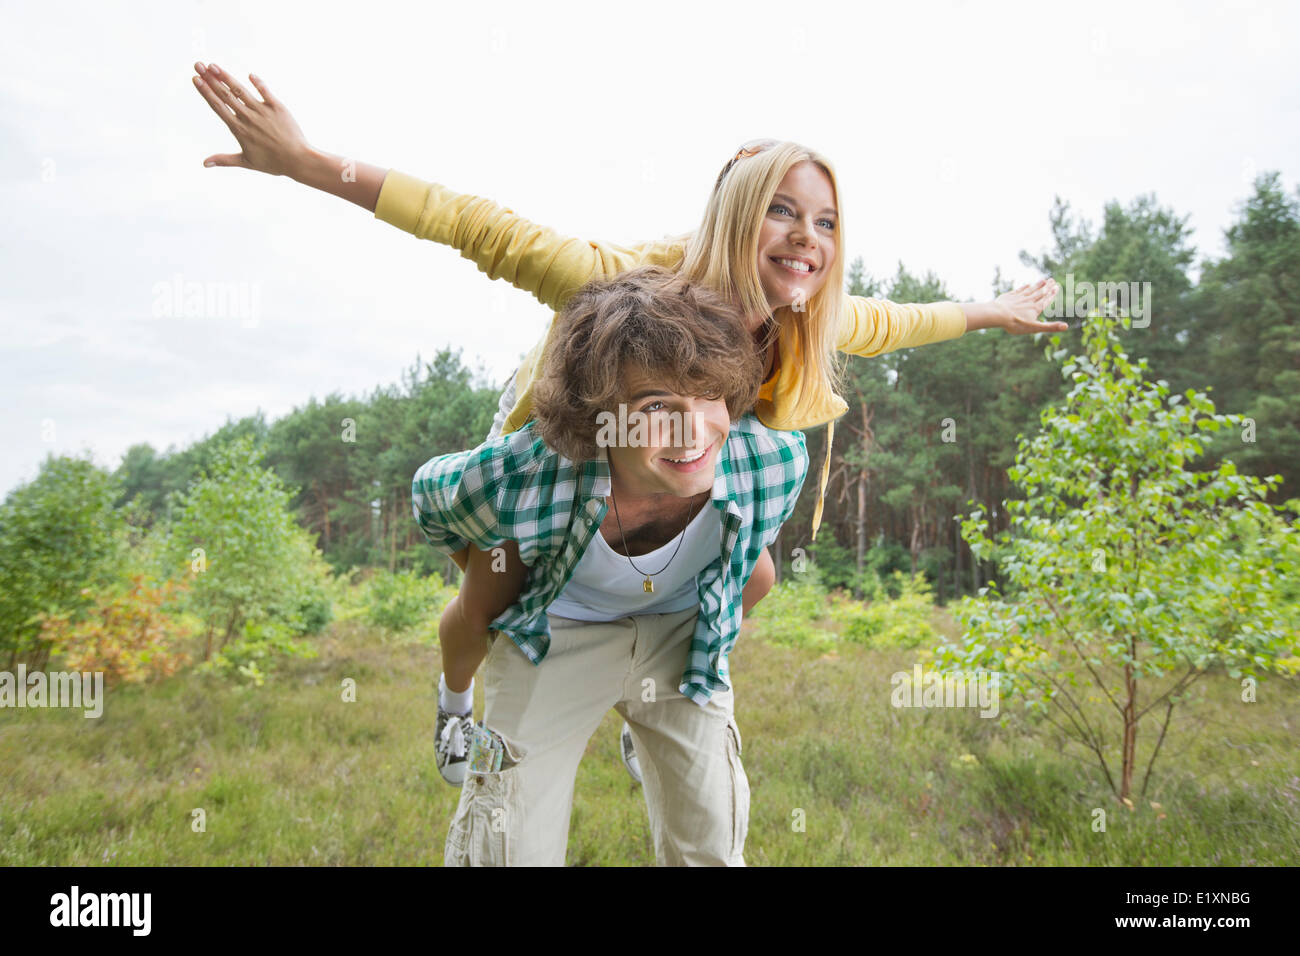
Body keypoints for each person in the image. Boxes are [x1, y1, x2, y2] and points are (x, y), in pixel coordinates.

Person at [188, 61, 1066, 779]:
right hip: (569, 458)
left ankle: (653, 703)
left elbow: (906, 320)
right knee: (489, 598)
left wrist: (993, 310)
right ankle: (456, 708)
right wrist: (308, 162)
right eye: (784, 210)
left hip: (674, 482)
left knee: (756, 580)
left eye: (827, 221)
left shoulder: (810, 319)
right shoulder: (627, 280)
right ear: (736, 211)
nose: (809, 236)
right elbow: (478, 227)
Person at [413, 265, 807, 864]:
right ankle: (455, 706)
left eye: (709, 394)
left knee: (711, 836)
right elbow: (431, 496)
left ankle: (647, 721)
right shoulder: (518, 478)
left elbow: (749, 560)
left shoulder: (773, 459)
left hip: (679, 629)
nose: (692, 430)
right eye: (655, 405)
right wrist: (489, 556)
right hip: (558, 627)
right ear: (597, 418)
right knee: (508, 842)